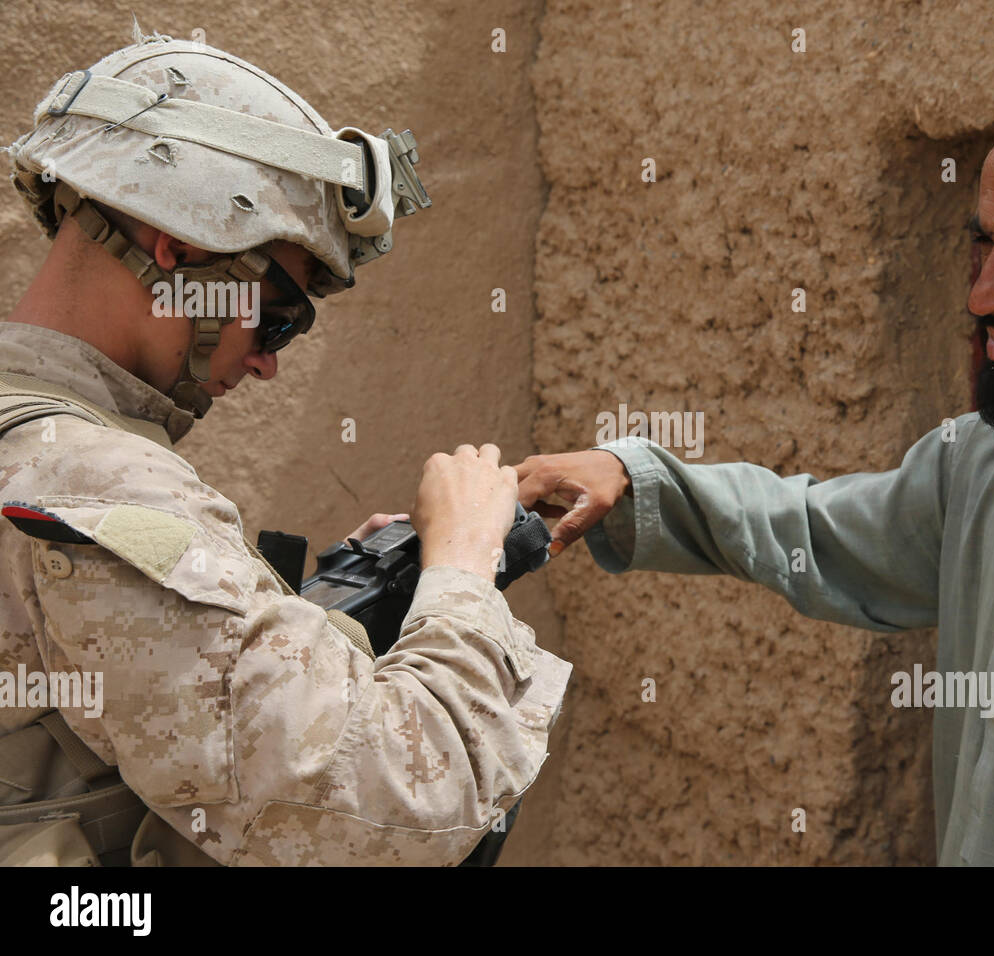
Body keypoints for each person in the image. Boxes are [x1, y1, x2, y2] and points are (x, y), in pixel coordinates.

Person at [514, 63, 994, 865]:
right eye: (985, 243)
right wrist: (632, 477)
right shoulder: (980, 464)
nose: (987, 294)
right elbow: (814, 531)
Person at [0, 29, 570, 866]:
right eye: (277, 316)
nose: (267, 362)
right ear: (183, 248)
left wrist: (320, 615)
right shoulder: (91, 482)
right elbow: (393, 809)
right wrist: (463, 575)